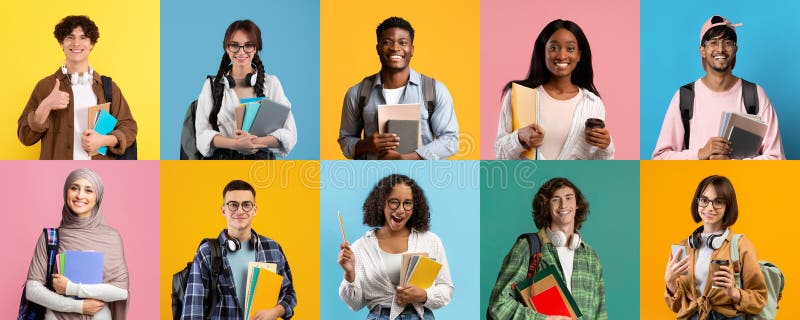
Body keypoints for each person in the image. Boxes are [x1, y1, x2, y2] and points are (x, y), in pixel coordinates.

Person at [652, 16, 784, 160]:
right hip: (696, 183)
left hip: (742, 183)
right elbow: (659, 159)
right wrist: (700, 153)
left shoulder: (754, 95)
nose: (720, 49)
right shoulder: (685, 97)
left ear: (735, 49)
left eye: (727, 43)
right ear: (702, 50)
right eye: (713, 42)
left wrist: (732, 164)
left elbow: (777, 158)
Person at [338, 17, 459, 160]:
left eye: (403, 42)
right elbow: (345, 139)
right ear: (378, 48)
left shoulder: (434, 90)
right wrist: (366, 145)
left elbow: (451, 140)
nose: (395, 47)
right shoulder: (357, 93)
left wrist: (406, 158)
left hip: (420, 177)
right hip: (373, 177)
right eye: (387, 42)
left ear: (412, 49)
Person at [17, 15, 138, 160]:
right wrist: (45, 106)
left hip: (98, 175)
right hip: (57, 174)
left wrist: (103, 140)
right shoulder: (46, 86)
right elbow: (25, 137)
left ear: (91, 44)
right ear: (61, 43)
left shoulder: (108, 87)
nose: (76, 43)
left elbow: (129, 128)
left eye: (83, 37)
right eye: (70, 37)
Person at [488, 177, 607, 319]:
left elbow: (600, 314)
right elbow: (498, 305)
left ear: (577, 205)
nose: (563, 205)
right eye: (555, 199)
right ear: (546, 206)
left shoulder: (590, 256)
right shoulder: (527, 247)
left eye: (569, 198)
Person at [338, 174, 453, 319]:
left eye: (407, 203)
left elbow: (446, 288)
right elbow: (355, 304)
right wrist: (349, 274)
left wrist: (424, 295)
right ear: (381, 203)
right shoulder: (361, 247)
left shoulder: (430, 241)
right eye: (394, 202)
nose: (400, 210)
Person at [494, 19, 614, 160]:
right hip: (530, 181)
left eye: (570, 49)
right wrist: (519, 138)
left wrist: (606, 146)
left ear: (579, 55)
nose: (562, 56)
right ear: (543, 51)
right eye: (554, 48)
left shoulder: (592, 103)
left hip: (571, 182)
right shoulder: (518, 95)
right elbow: (500, 154)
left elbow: (598, 166)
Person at [182, 180, 296, 320]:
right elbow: (193, 310)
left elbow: (289, 293)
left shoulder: (272, 249)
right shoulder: (207, 252)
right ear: (224, 210)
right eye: (233, 205)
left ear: (255, 210)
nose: (240, 211)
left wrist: (276, 311)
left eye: (246, 205)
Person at [24, 168, 130, 319]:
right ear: (66, 192)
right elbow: (32, 289)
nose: (80, 195)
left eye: (88, 190)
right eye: (74, 188)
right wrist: (79, 306)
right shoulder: (50, 237)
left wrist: (71, 288)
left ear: (97, 197)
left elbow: (121, 291)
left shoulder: (111, 237)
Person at [664, 175, 767, 319]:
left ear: (728, 206)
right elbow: (676, 306)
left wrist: (734, 292)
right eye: (704, 200)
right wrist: (670, 282)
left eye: (718, 202)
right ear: (698, 202)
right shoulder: (684, 246)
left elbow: (760, 299)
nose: (709, 208)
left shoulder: (741, 245)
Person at [195, 20, 297, 160]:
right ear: (227, 48)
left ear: (256, 49)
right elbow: (202, 135)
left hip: (261, 166)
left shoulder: (271, 84)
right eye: (234, 45)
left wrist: (254, 143)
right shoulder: (211, 85)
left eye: (248, 45)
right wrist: (235, 144)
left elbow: (289, 134)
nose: (241, 51)